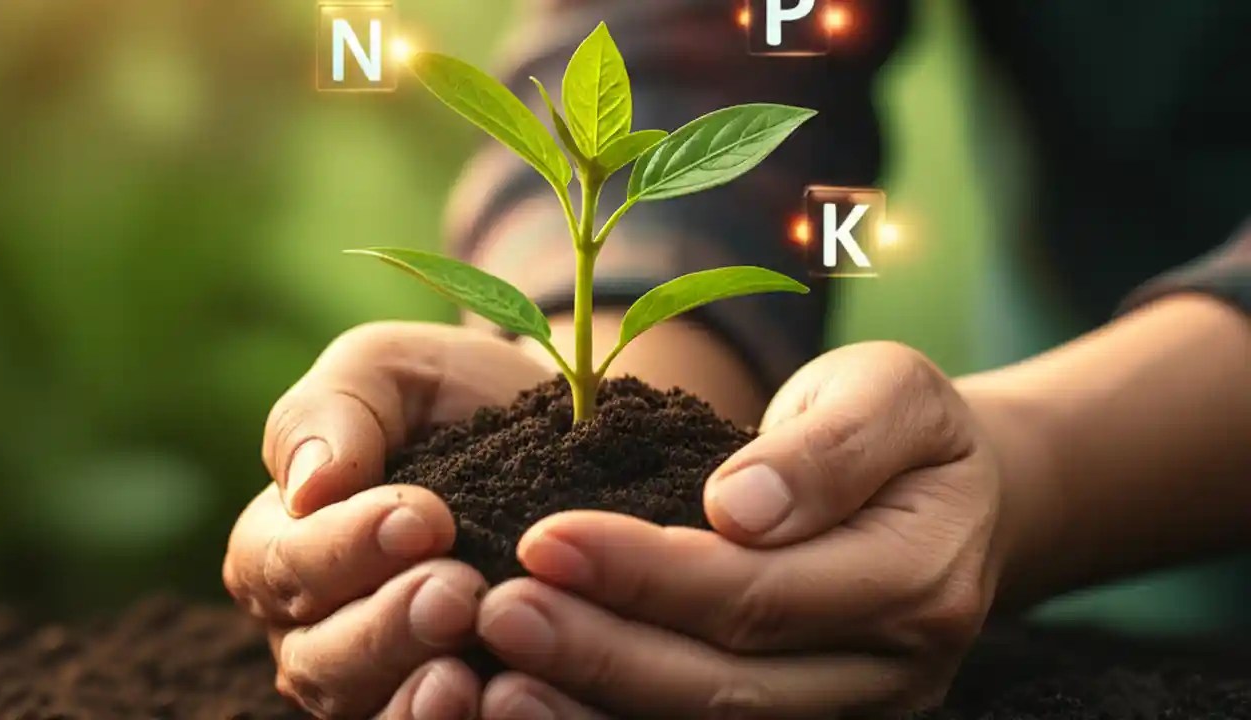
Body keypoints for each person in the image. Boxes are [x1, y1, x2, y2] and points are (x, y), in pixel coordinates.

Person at [223, 1, 1251, 717]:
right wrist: (643, 370)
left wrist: (1039, 470)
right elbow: (694, 34)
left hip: (1118, 450)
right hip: (1092, 527)